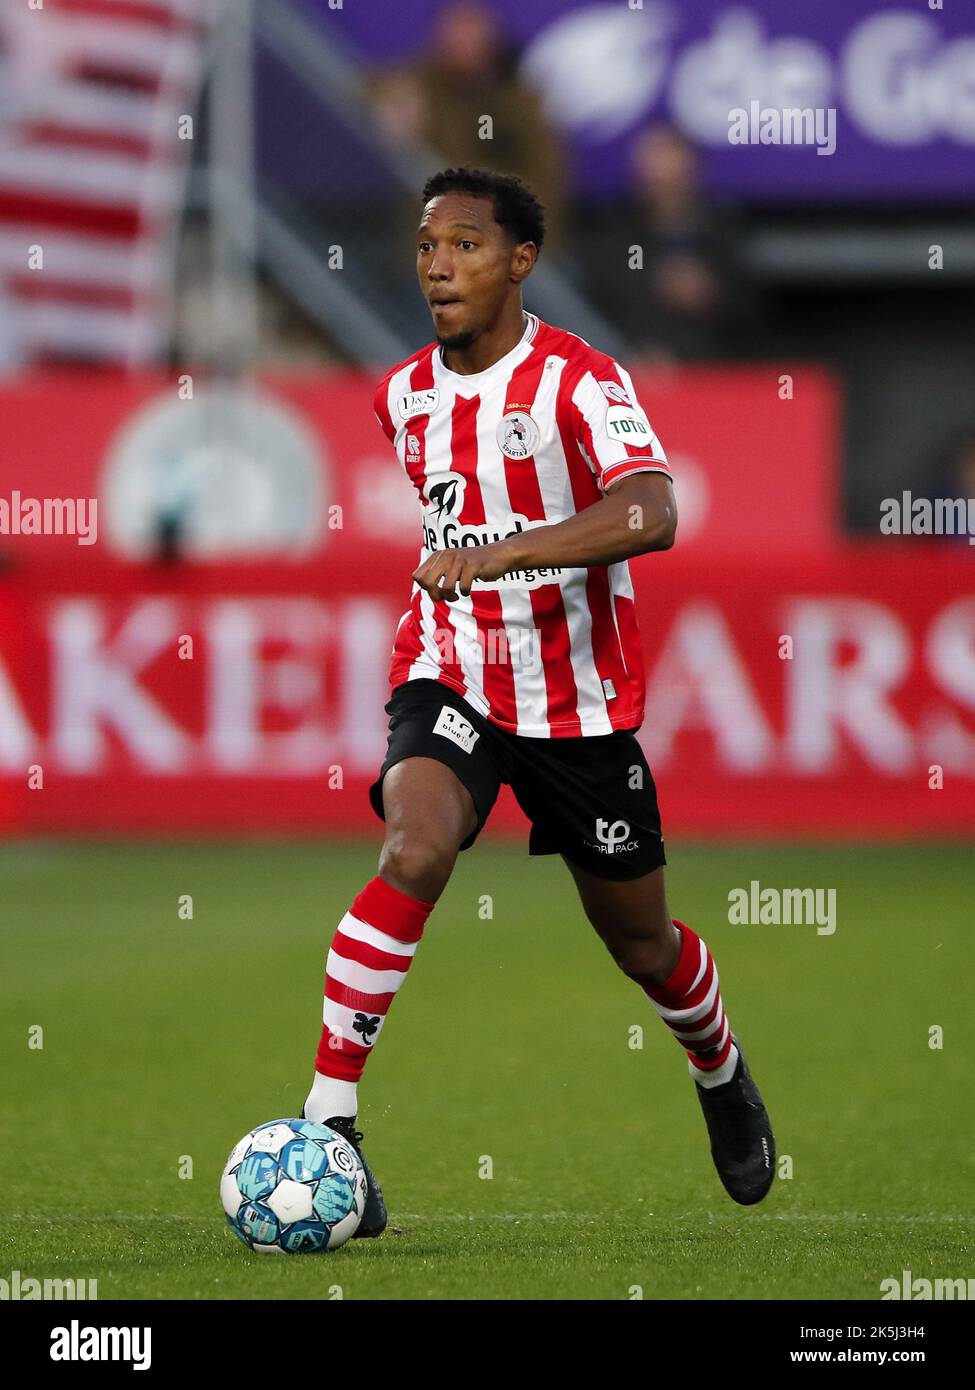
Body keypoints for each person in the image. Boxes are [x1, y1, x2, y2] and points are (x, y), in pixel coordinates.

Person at [301, 166, 775, 1236]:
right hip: (451, 668)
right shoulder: (402, 395)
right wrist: (470, 572)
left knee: (642, 941)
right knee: (414, 849)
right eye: (428, 246)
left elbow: (654, 511)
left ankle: (719, 1066)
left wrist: (511, 552)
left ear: (520, 262)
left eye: (466, 245)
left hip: (577, 704)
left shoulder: (580, 380)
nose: (438, 265)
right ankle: (331, 1121)